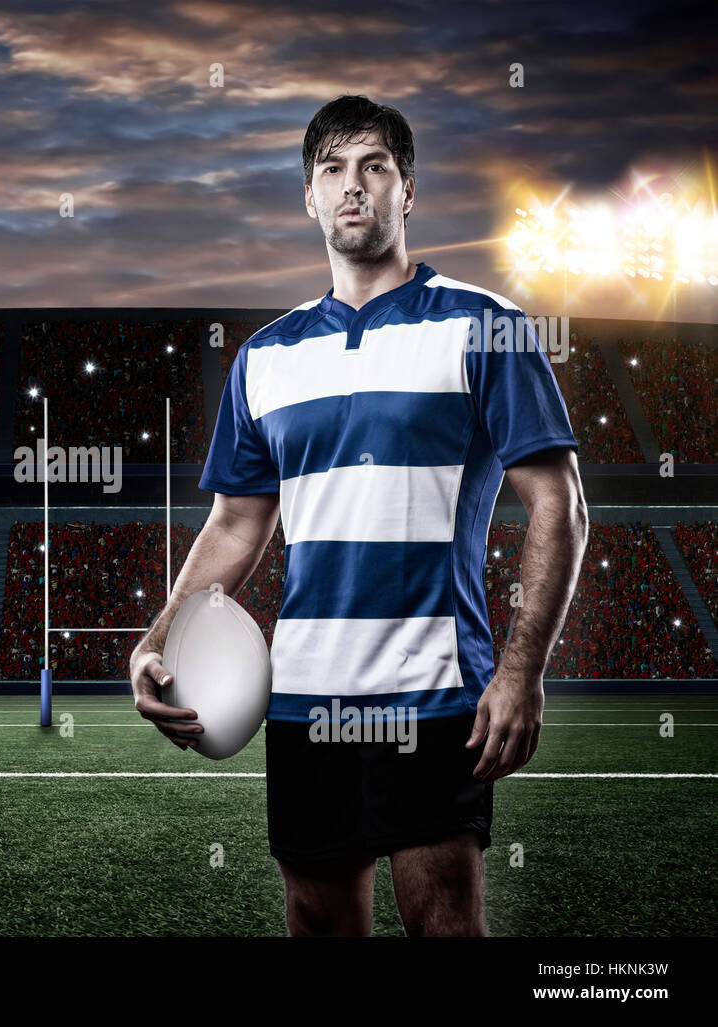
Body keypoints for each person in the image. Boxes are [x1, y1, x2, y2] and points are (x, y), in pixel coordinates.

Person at [129, 94, 588, 937]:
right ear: (308, 197)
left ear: (406, 188)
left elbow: (557, 502)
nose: (353, 186)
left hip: (433, 692)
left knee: (444, 919)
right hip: (305, 696)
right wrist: (160, 637)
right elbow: (236, 522)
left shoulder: (485, 326)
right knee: (315, 920)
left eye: (374, 165)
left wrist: (523, 669)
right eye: (332, 169)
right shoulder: (266, 355)